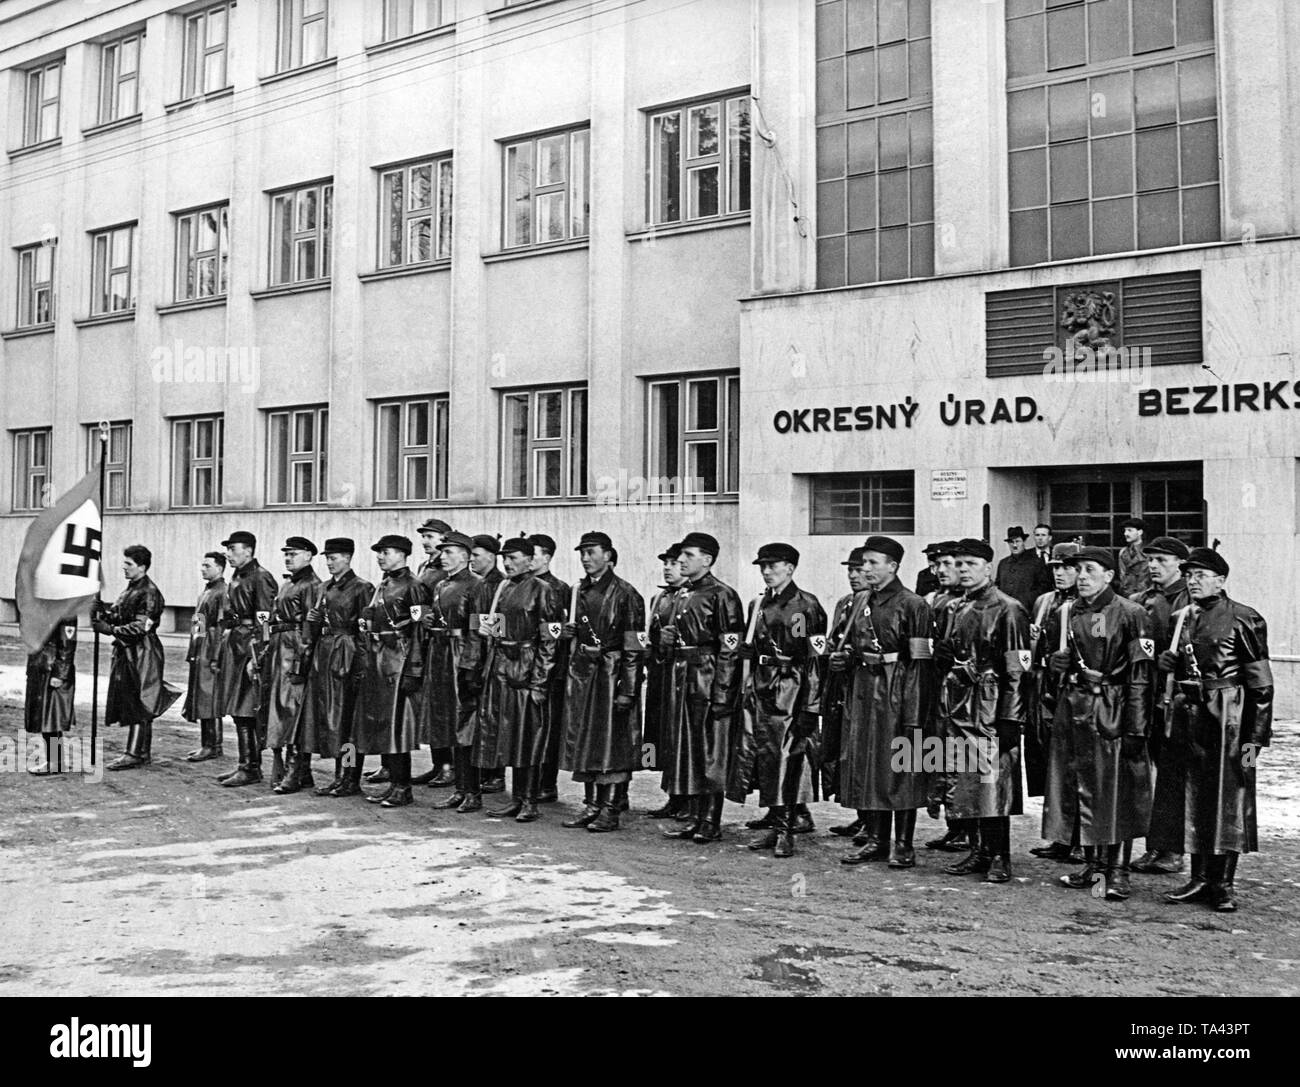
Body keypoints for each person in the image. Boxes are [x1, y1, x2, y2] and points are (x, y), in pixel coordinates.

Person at [1158, 548, 1272, 913]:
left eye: (1201, 575)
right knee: (1192, 795)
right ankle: (1198, 878)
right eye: (1189, 575)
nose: (1193, 582)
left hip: (1229, 720)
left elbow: (1262, 686)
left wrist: (1254, 743)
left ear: (1221, 581)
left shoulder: (1244, 618)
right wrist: (1168, 663)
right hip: (1190, 716)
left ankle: (1223, 884)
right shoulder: (1183, 618)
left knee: (1228, 799)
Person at [1041, 547, 1154, 901]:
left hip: (1111, 711)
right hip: (1074, 710)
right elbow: (1062, 654)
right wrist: (1053, 664)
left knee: (1114, 791)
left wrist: (1136, 726)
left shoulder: (1131, 613)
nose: (1083, 576)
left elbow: (1141, 674)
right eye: (1079, 570)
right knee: (1081, 788)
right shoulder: (1068, 611)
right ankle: (1094, 867)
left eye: (1091, 570)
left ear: (1109, 575)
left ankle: (1117, 870)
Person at [833, 537, 933, 868]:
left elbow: (920, 661)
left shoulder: (913, 604)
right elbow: (851, 643)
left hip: (898, 690)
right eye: (864, 563)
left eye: (873, 563)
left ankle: (903, 844)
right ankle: (875, 839)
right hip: (863, 690)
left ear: (893, 565)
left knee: (901, 768)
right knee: (868, 764)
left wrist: (915, 712)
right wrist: (845, 658)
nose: (866, 569)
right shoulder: (860, 600)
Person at [935, 538, 1031, 884]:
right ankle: (978, 850)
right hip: (958, 702)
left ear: (988, 568)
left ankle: (999, 855)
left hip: (990, 705)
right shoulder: (954, 607)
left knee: (993, 782)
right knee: (966, 779)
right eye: (957, 564)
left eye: (970, 564)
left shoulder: (1009, 608)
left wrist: (1011, 717)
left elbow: (1018, 668)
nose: (962, 570)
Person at [731, 543, 827, 858]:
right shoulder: (758, 603)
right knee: (766, 756)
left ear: (790, 568)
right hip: (761, 686)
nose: (767, 571)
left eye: (774, 566)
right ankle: (776, 818)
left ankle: (787, 828)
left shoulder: (805, 606)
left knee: (787, 758)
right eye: (763, 566)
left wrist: (811, 706)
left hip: (791, 688)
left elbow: (814, 660)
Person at [464, 536, 563, 823]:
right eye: (505, 557)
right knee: (510, 738)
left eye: (514, 558)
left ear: (530, 561)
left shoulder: (543, 590)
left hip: (526, 671)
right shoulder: (504, 589)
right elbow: (494, 628)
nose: (507, 563)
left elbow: (549, 642)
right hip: (501, 669)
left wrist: (540, 682)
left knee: (528, 738)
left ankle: (530, 800)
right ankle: (516, 798)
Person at [660, 532, 746, 844]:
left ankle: (711, 820)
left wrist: (723, 692)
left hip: (708, 679)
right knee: (689, 749)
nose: (681, 561)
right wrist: (666, 642)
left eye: (688, 555)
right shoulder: (683, 593)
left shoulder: (722, 594)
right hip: (683, 678)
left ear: (707, 560)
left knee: (711, 750)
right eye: (680, 556)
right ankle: (694, 815)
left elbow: (730, 648)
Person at [559, 531, 646, 832]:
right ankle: (592, 804)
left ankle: (611, 808)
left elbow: (635, 646)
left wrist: (629, 689)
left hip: (612, 674)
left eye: (592, 552)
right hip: (584, 674)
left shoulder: (626, 594)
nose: (585, 558)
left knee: (613, 743)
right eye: (582, 553)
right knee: (587, 740)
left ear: (608, 556)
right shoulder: (578, 591)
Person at [1131, 536, 1192, 875]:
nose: (1153, 566)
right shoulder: (1145, 600)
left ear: (1180, 566)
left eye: (1162, 561)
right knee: (1155, 774)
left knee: (1174, 777)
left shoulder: (1189, 600)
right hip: (1151, 695)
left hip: (1178, 700)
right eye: (1151, 560)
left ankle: (1173, 850)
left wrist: (1177, 662)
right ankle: (1157, 846)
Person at [300, 538, 373, 798]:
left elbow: (365, 629)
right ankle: (339, 777)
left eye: (334, 557)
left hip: (348, 653)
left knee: (349, 723)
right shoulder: (324, 587)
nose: (329, 562)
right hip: (326, 652)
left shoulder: (362, 587)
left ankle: (350, 778)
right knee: (333, 721)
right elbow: (316, 619)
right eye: (327, 558)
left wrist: (362, 665)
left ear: (348, 558)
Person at [94, 545, 177, 771]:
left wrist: (111, 630)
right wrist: (103, 612)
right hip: (129, 651)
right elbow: (120, 615)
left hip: (143, 652)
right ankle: (138, 752)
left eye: (129, 564)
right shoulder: (131, 589)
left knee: (142, 699)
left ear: (141, 566)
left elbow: (140, 626)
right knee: (132, 697)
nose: (124, 567)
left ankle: (135, 753)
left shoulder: (148, 592)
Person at [356, 535, 425, 808]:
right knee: (385, 725)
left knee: (399, 727)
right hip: (379, 657)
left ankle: (402, 787)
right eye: (379, 552)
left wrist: (414, 668)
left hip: (399, 657)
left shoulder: (414, 586)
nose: (380, 557)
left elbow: (419, 630)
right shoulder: (383, 585)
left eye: (386, 552)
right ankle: (391, 782)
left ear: (402, 554)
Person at [1025, 542, 1082, 863]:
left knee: (1075, 769)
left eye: (1068, 568)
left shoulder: (1086, 607)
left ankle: (1080, 840)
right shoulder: (1044, 602)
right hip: (1044, 692)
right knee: (1051, 768)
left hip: (1074, 693)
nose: (1061, 573)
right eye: (1057, 568)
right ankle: (1060, 836)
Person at [418, 531, 483, 812]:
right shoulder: (442, 585)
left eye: (449, 552)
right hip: (441, 654)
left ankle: (473, 791)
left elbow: (482, 630)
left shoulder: (478, 586)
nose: (442, 556)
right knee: (448, 722)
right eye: (441, 552)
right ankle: (459, 788)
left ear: (466, 556)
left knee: (466, 726)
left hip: (462, 656)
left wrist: (471, 666)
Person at [215, 531, 279, 787]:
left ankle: (251, 767)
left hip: (250, 648)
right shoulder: (238, 576)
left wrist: (260, 654)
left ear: (248, 551)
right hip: (236, 646)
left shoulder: (260, 577)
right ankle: (246, 764)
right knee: (238, 710)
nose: (228, 554)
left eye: (233, 549)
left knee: (246, 709)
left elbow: (265, 619)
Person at [922, 540, 971, 853]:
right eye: (937, 565)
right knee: (935, 756)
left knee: (964, 759)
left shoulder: (969, 604)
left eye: (948, 564)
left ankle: (968, 827)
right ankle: (952, 825)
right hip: (935, 687)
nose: (940, 570)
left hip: (962, 693)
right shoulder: (934, 600)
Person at [266, 538, 324, 794]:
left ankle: (295, 770)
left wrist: (302, 662)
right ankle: (301, 772)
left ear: (309, 556)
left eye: (294, 554)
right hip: (281, 650)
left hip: (296, 651)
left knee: (295, 713)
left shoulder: (312, 586)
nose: (288, 558)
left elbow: (310, 628)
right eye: (286, 553)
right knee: (280, 711)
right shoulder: (287, 583)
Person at [825, 545, 871, 837]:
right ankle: (860, 814)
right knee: (846, 753)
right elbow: (833, 640)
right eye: (850, 570)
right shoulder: (844, 603)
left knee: (865, 752)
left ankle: (872, 821)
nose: (853, 575)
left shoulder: (872, 604)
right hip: (841, 686)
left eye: (858, 570)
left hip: (865, 686)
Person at [644, 542, 689, 820]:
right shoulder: (658, 599)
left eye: (673, 563)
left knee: (682, 738)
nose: (668, 568)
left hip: (683, 676)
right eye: (665, 563)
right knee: (663, 738)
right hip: (661, 675)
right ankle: (673, 795)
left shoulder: (692, 598)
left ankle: (687, 798)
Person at [411, 518, 454, 789]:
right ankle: (439, 764)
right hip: (424, 638)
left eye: (431, 536)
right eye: (424, 536)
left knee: (444, 705)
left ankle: (448, 766)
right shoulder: (424, 566)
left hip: (442, 640)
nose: (426, 541)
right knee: (432, 705)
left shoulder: (447, 569)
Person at [530, 532, 572, 805]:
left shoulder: (558, 588)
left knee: (547, 728)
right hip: (523, 666)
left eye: (532, 555)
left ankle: (547, 783)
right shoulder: (519, 586)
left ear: (547, 557)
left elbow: (560, 631)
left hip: (551, 667)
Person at [465, 534, 507, 795]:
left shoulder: (500, 585)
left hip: (494, 658)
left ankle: (496, 774)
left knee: (494, 718)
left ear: (491, 557)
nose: (472, 559)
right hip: (481, 656)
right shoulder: (480, 585)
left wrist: (483, 658)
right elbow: (474, 625)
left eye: (476, 555)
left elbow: (497, 629)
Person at [181, 552, 228, 763]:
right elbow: (197, 623)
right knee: (201, 696)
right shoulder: (206, 592)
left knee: (209, 697)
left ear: (219, 568)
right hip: (201, 648)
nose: (202, 569)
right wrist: (193, 650)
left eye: (207, 566)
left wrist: (216, 655)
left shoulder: (222, 592)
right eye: (202, 565)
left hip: (211, 647)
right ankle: (206, 744)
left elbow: (221, 626)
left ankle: (213, 745)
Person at [25, 618, 77, 775]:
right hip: (40, 667)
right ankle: (53, 761)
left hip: (52, 671)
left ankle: (55, 762)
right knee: (45, 719)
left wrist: (60, 674)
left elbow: (68, 646)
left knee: (51, 719)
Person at [994, 525, 1053, 613]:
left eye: (1017, 541)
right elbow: (997, 586)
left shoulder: (1036, 562)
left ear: (1023, 542)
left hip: (1027, 610)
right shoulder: (1003, 563)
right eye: (1011, 542)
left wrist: (1024, 600)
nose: (1014, 545)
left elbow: (1043, 588)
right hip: (1004, 610)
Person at [1117, 517, 1151, 599]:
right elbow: (1122, 577)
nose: (1125, 533)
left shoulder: (1149, 553)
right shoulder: (1123, 553)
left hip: (1144, 597)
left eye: (1129, 530)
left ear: (1140, 532)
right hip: (1126, 597)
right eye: (1125, 530)